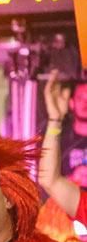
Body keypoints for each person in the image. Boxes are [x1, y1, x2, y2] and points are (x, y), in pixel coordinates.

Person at [39, 74, 87, 226]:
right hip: (64, 216)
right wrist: (55, 119)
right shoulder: (62, 139)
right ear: (72, 102)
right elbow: (49, 180)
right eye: (81, 99)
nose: (86, 104)